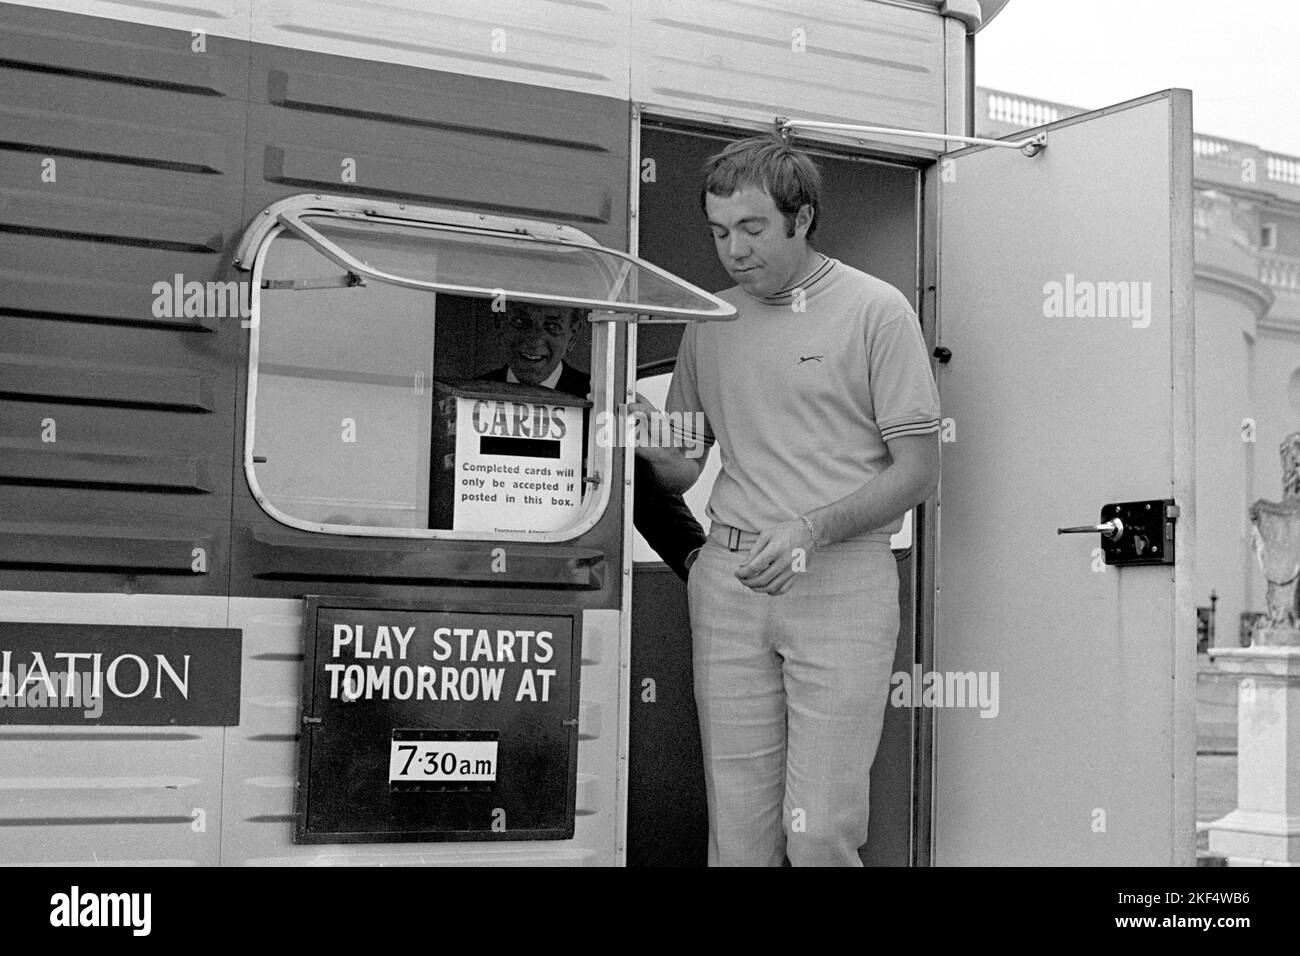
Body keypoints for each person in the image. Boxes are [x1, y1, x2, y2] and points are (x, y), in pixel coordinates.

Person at [634, 135, 941, 866]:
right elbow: (683, 469)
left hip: (840, 580)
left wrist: (810, 529)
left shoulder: (878, 311)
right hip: (728, 582)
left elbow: (919, 471)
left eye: (751, 228)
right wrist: (644, 441)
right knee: (737, 834)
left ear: (801, 218)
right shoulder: (709, 319)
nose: (732, 250)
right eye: (718, 232)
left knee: (819, 831)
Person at [478, 301, 705, 580]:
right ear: (500, 325)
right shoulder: (467, 397)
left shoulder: (604, 404)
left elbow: (648, 496)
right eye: (520, 323)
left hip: (572, 577)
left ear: (572, 336)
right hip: (483, 571)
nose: (534, 339)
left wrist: (697, 560)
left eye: (552, 326)